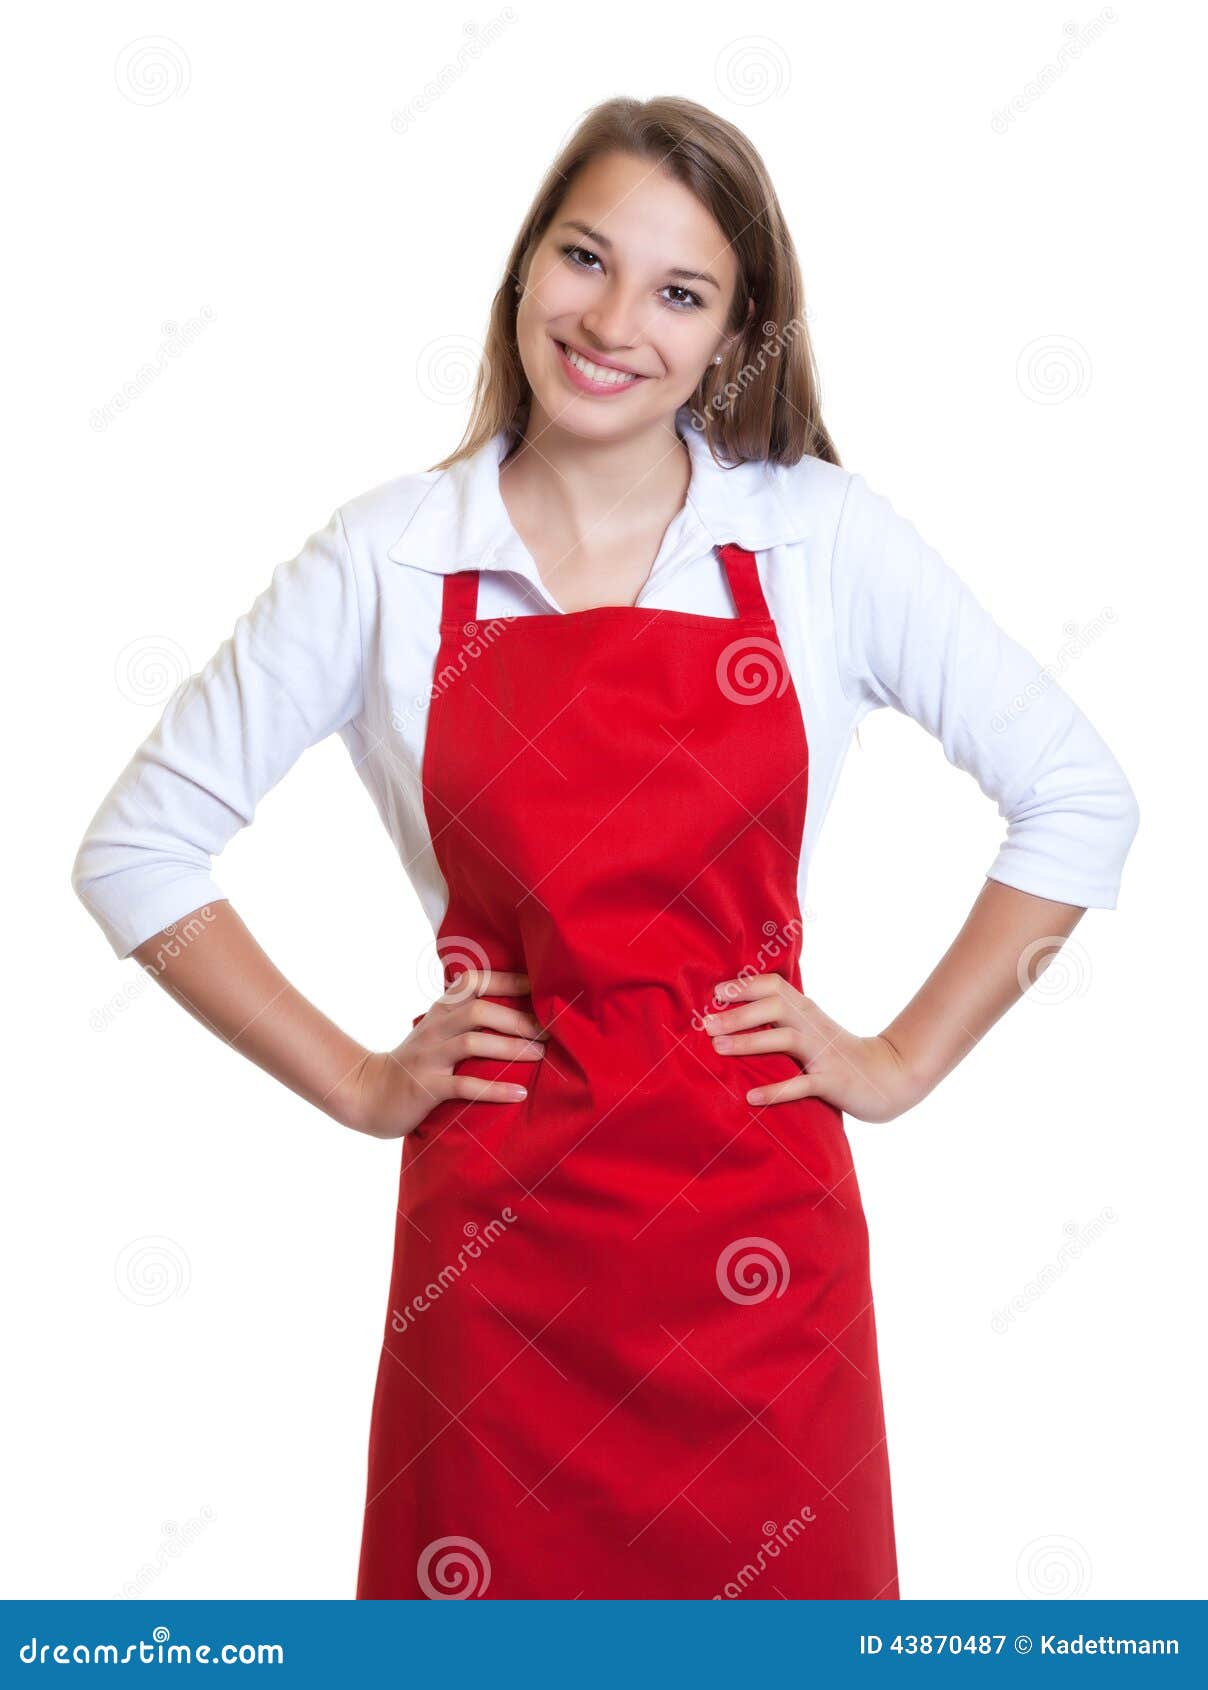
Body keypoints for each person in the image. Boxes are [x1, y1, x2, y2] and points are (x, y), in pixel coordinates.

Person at [72, 95, 1140, 1601]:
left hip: (762, 1257)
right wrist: (368, 1083)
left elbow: (1081, 799)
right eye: (585, 257)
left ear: (731, 336)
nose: (613, 319)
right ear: (523, 269)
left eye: (678, 291)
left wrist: (898, 1061)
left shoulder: (816, 540)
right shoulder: (390, 555)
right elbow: (139, 852)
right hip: (496, 1272)